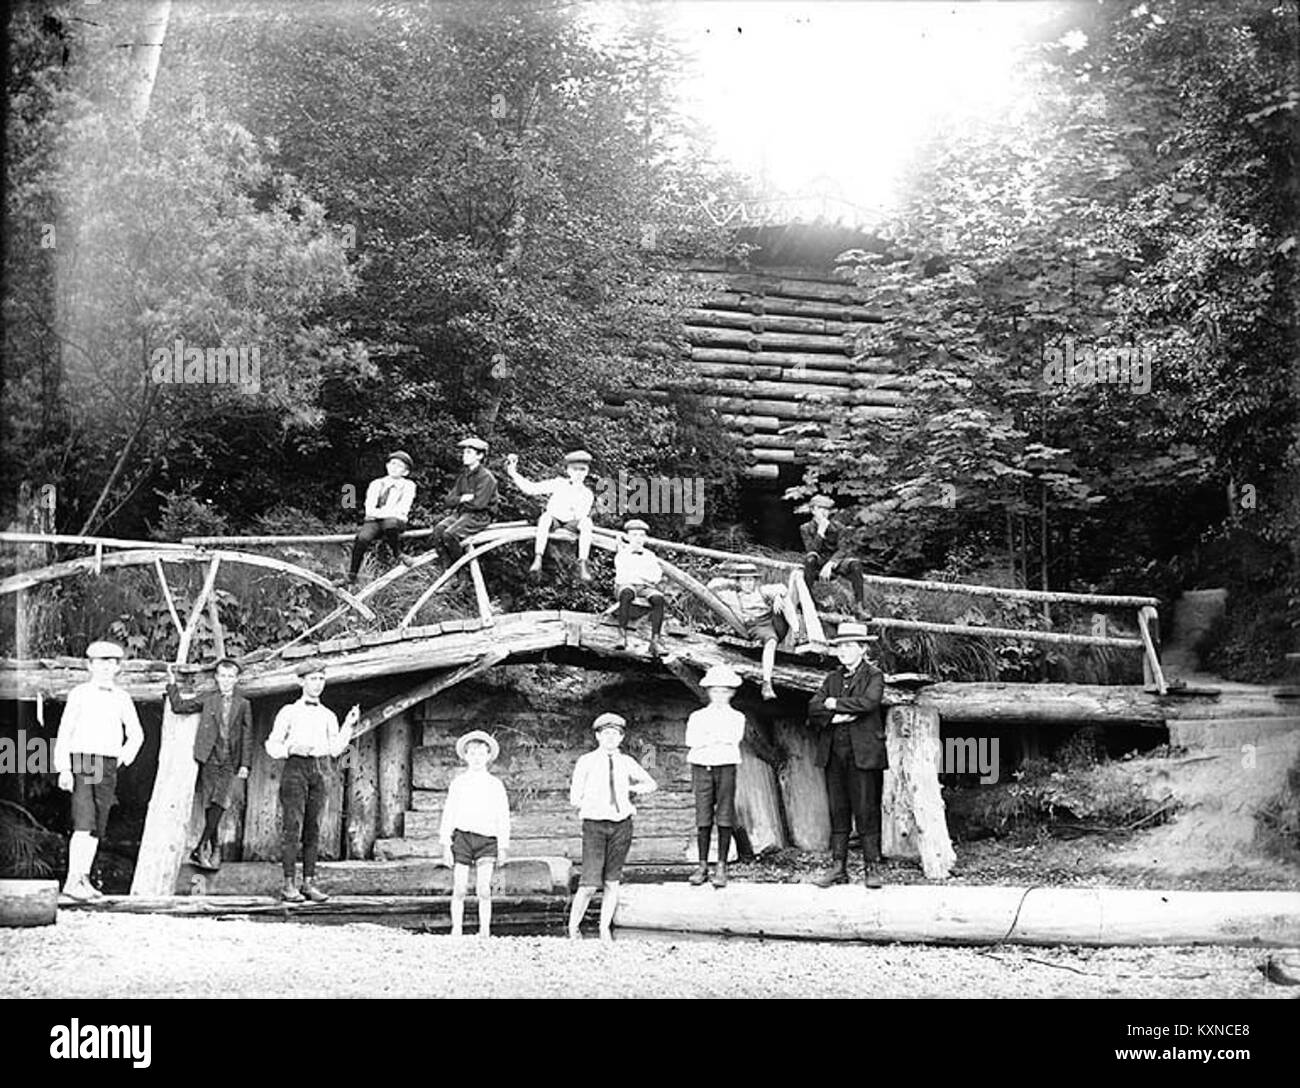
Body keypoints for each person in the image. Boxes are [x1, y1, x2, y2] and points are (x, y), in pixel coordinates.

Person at [53, 640, 144, 901]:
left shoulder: (122, 698)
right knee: (84, 820)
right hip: (83, 761)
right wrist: (64, 769)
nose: (106, 668)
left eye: (112, 664)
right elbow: (65, 733)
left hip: (107, 764)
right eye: (100, 663)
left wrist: (121, 759)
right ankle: (72, 881)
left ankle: (84, 879)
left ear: (117, 668)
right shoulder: (80, 694)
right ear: (90, 666)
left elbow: (136, 735)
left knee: (97, 827)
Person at [265, 661, 359, 903]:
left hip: (321, 770)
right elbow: (271, 745)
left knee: (313, 828)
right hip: (295, 768)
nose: (317, 684)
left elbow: (336, 748)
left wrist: (348, 724)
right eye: (313, 679)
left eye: (321, 679)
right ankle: (288, 884)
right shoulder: (289, 711)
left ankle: (308, 882)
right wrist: (290, 748)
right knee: (292, 827)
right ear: (301, 682)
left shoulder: (328, 715)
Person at [806, 621, 886, 889]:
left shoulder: (874, 676)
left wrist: (834, 704)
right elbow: (813, 708)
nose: (843, 651)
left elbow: (868, 703)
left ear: (863, 649)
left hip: (863, 754)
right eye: (840, 646)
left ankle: (871, 868)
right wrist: (837, 716)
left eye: (849, 646)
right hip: (834, 754)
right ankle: (838, 867)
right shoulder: (832, 678)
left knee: (865, 810)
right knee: (838, 810)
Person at [567, 713, 657, 942]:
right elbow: (575, 797)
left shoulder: (626, 762)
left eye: (615, 734)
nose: (610, 738)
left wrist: (631, 790)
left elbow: (651, 783)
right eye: (605, 733)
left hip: (622, 824)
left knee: (612, 880)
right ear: (597, 736)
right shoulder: (586, 761)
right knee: (589, 883)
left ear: (621, 737)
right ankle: (572, 928)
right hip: (595, 825)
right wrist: (593, 800)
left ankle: (604, 929)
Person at [165, 657, 254, 872]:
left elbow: (247, 736)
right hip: (209, 757)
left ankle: (200, 847)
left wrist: (245, 764)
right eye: (222, 676)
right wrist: (171, 685)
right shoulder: (208, 699)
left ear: (236, 679)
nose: (226, 680)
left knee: (221, 802)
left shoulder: (243, 704)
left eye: (230, 677)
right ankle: (213, 848)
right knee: (210, 803)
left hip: (229, 760)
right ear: (216, 678)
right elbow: (179, 707)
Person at [439, 730, 510, 938]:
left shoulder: (495, 785)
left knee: (484, 889)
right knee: (460, 887)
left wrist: (503, 846)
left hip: (487, 840)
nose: (477, 758)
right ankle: (457, 929)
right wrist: (445, 845)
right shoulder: (459, 783)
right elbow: (449, 814)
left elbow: (503, 817)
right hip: (462, 838)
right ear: (466, 756)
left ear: (488, 756)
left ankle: (484, 930)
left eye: (481, 753)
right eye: (472, 753)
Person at [685, 664, 745, 888]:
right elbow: (692, 740)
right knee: (703, 814)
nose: (720, 695)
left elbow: (732, 738)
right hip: (702, 766)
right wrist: (715, 738)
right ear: (708, 692)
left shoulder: (737, 716)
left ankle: (721, 864)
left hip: (726, 765)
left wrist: (710, 737)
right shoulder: (698, 716)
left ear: (731, 693)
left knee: (725, 813)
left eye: (724, 691)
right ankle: (702, 865)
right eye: (715, 690)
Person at [707, 560, 801, 701]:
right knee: (770, 640)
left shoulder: (762, 590)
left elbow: (782, 588)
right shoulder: (733, 596)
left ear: (755, 581)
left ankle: (798, 632)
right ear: (738, 582)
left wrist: (776, 597)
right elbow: (712, 585)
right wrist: (733, 580)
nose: (748, 584)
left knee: (783, 598)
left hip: (774, 622)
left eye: (751, 580)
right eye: (744, 580)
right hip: (758, 627)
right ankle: (766, 683)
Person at [504, 449, 596, 582]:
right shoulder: (558, 483)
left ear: (587, 472)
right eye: (575, 469)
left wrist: (574, 506)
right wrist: (513, 473)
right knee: (545, 518)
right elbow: (531, 489)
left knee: (587, 522)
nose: (578, 473)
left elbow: (581, 515)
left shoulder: (587, 494)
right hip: (555, 520)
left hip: (572, 523)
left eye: (582, 470)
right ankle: (538, 559)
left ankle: (583, 564)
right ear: (568, 471)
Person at [344, 450, 416, 586]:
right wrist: (383, 513)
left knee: (390, 523)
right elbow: (369, 509)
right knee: (362, 538)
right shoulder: (376, 484)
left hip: (396, 522)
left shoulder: (408, 486)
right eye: (392, 464)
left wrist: (381, 513)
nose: (394, 468)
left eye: (399, 466)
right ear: (387, 466)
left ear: (405, 472)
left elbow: (402, 509)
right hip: (375, 521)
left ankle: (397, 553)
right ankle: (352, 576)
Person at [428, 437, 498, 566]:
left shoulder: (486, 477)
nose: (464, 456)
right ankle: (447, 570)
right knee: (438, 530)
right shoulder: (464, 476)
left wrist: (460, 501)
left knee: (449, 534)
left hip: (479, 517)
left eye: (469, 452)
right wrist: (463, 498)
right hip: (462, 514)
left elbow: (478, 504)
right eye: (464, 452)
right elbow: (448, 501)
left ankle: (461, 573)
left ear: (480, 456)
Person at [801, 494, 866, 612]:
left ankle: (859, 607)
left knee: (855, 564)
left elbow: (843, 549)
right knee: (810, 558)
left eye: (827, 509)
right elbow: (811, 549)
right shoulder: (806, 528)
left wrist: (831, 563)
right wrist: (820, 532)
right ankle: (808, 601)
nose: (825, 513)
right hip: (817, 562)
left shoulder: (838, 527)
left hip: (834, 563)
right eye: (821, 509)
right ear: (813, 510)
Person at [613, 518, 666, 656]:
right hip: (626, 585)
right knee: (627, 593)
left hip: (644, 587)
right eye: (635, 535)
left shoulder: (650, 556)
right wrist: (642, 575)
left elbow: (655, 576)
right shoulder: (622, 554)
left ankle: (655, 641)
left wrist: (639, 575)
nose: (638, 539)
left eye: (641, 536)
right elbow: (623, 576)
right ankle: (622, 635)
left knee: (658, 598)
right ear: (628, 537)